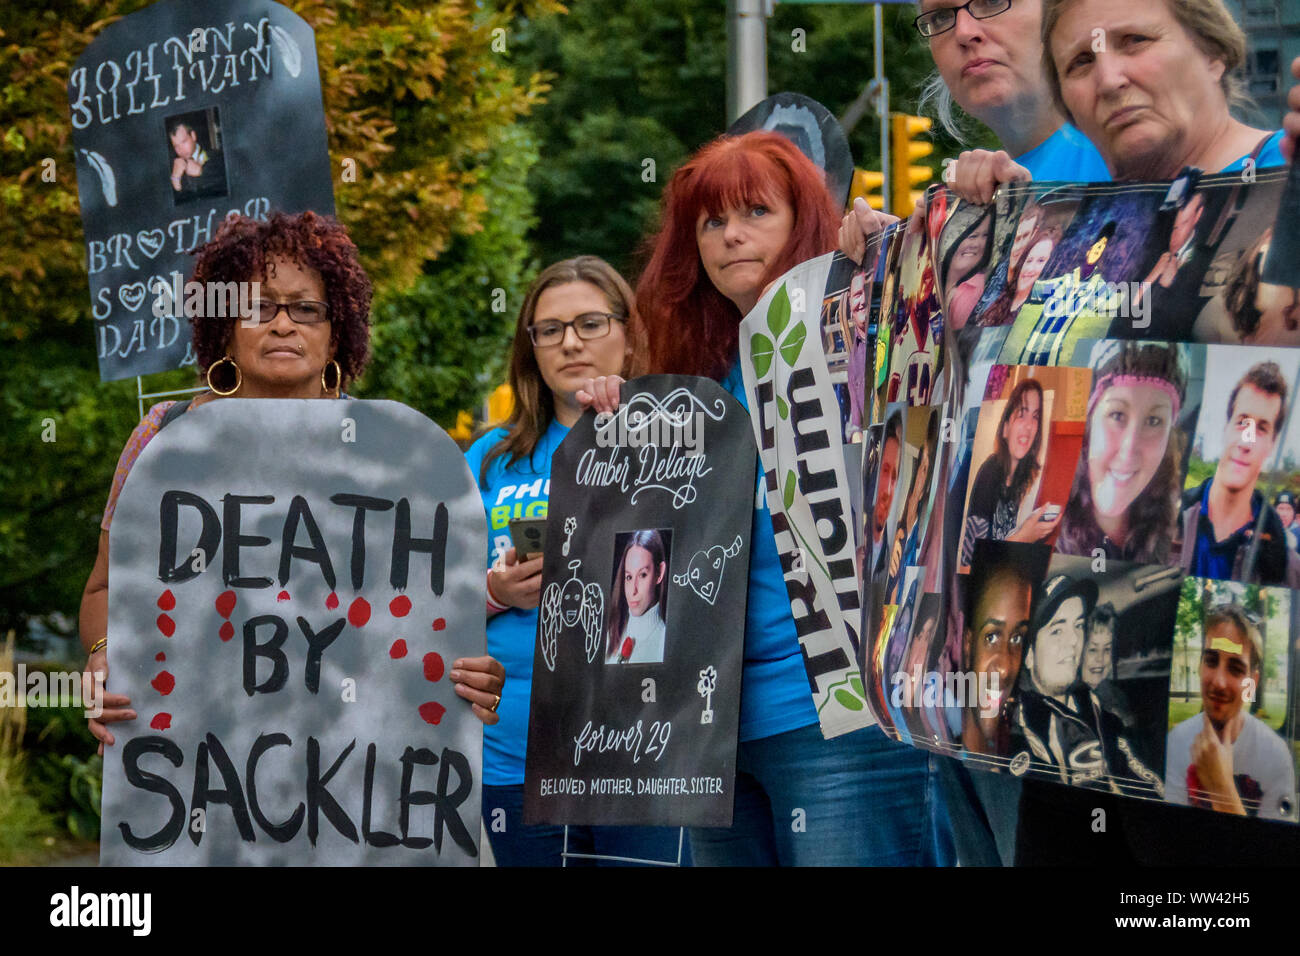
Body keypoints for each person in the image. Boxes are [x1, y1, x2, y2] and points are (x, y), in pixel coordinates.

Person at [585, 130, 952, 866]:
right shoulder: (695, 386)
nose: (731, 237)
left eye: (755, 211)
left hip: (844, 723)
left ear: (803, 221)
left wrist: (899, 260)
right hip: (710, 731)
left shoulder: (865, 325)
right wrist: (615, 438)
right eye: (711, 222)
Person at [80, 211, 507, 755]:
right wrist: (103, 652)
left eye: (306, 309)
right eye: (258, 307)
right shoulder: (166, 438)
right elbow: (104, 589)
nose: (283, 324)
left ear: (336, 336)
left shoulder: (395, 453)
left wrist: (469, 675)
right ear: (224, 332)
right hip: (196, 762)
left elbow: (430, 618)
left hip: (353, 766)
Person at [463, 256, 688, 866]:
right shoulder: (488, 459)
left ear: (627, 331)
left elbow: (707, 575)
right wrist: (494, 591)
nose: (570, 343)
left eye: (590, 323)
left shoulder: (675, 435)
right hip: (517, 754)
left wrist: (634, 424)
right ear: (530, 347)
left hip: (642, 747)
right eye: (550, 329)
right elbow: (433, 594)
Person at [1009, 573, 1161, 794]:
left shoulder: (1094, 705)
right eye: (1057, 630)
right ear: (1029, 655)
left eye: (1078, 626)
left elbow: (1141, 776)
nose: (1073, 640)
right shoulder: (1020, 727)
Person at [1055, 341, 1186, 564]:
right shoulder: (1040, 529)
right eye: (1117, 415)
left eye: (1154, 421)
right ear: (1089, 424)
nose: (1128, 451)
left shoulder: (1177, 538)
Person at [1164, 604, 1297, 822]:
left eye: (1235, 668)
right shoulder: (1176, 742)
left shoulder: (1277, 757)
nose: (1219, 682)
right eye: (1211, 661)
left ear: (1251, 684)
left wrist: (1222, 790)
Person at [1179, 361, 1300, 586]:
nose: (1247, 441)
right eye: (1243, 422)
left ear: (1272, 445)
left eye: (1262, 428)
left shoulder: (1287, 567)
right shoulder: (1167, 522)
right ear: (1226, 428)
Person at [960, 378, 1061, 566]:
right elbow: (970, 563)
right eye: (1021, 414)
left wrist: (1029, 526)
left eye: (1035, 416)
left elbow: (1001, 540)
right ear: (1005, 428)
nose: (1029, 426)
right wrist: (1025, 537)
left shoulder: (1017, 479)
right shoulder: (989, 473)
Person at [604, 530, 669, 665]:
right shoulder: (610, 634)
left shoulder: (664, 642)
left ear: (659, 573)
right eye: (629, 577)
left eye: (643, 575)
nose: (633, 590)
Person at [1079, 603, 1133, 728]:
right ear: (1078, 652)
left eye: (1107, 649)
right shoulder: (1068, 699)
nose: (1100, 658)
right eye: (1093, 649)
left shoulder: (1118, 697)